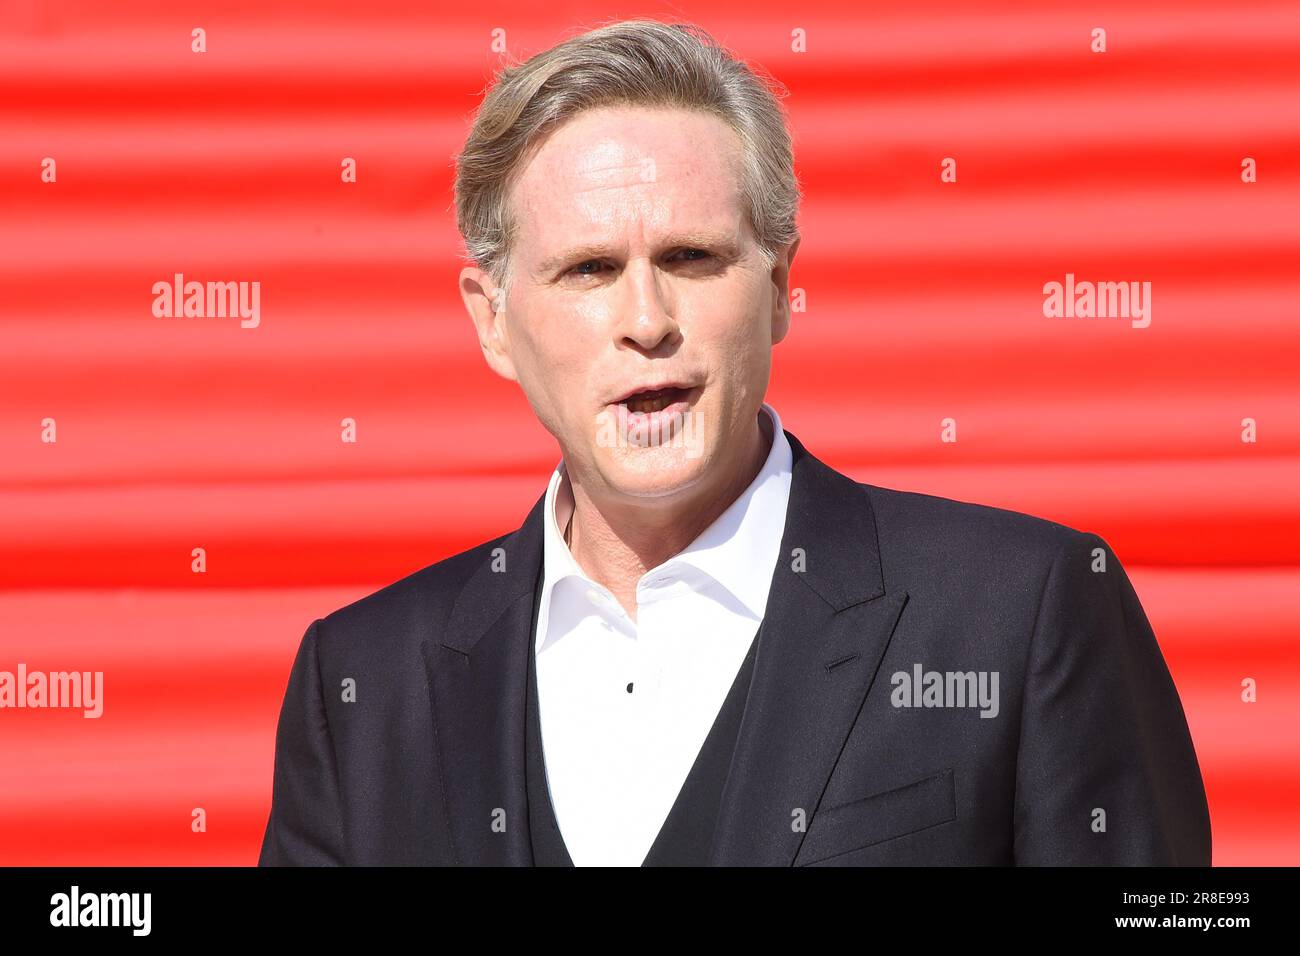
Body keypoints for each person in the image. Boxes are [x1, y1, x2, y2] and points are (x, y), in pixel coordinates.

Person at [258, 18, 1211, 866]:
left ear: (780, 285)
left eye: (691, 258)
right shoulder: (363, 686)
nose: (646, 318)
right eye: (589, 269)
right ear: (494, 321)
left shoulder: (1023, 612)